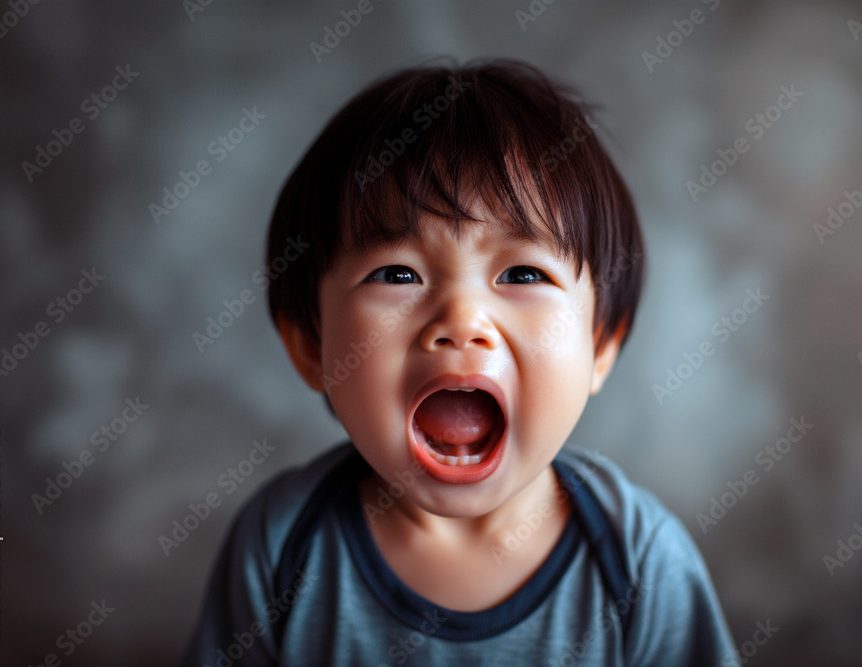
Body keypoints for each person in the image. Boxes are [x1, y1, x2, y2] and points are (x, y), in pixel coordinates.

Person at [184, 58, 736, 666]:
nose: (461, 321)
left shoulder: (640, 562)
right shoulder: (282, 546)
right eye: (398, 274)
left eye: (523, 273)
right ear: (311, 347)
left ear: (601, 344)